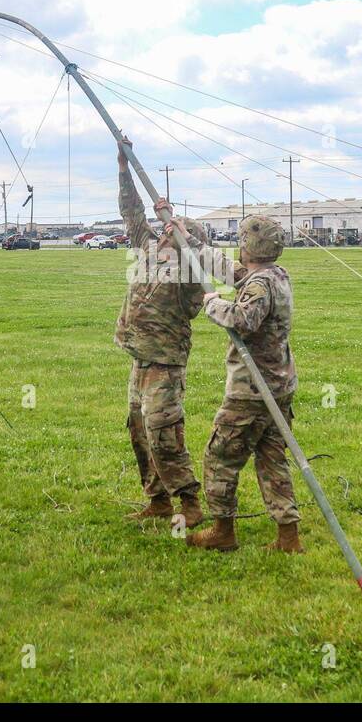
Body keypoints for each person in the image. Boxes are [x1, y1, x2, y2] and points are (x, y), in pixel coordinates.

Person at [165, 209, 303, 554]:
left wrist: (213, 304)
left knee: (220, 458)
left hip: (252, 392)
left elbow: (243, 320)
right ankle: (289, 537)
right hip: (279, 387)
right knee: (273, 459)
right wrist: (187, 236)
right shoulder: (274, 275)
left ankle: (222, 530)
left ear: (247, 245)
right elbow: (226, 267)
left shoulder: (259, 284)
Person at [114, 137, 208, 528]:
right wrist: (124, 167)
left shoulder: (193, 268)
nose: (167, 232)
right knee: (137, 427)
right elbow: (132, 213)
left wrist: (182, 230)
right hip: (140, 355)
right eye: (168, 229)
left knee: (163, 430)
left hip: (166, 361)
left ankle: (189, 501)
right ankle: (157, 498)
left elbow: (199, 258)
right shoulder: (147, 248)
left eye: (176, 230)